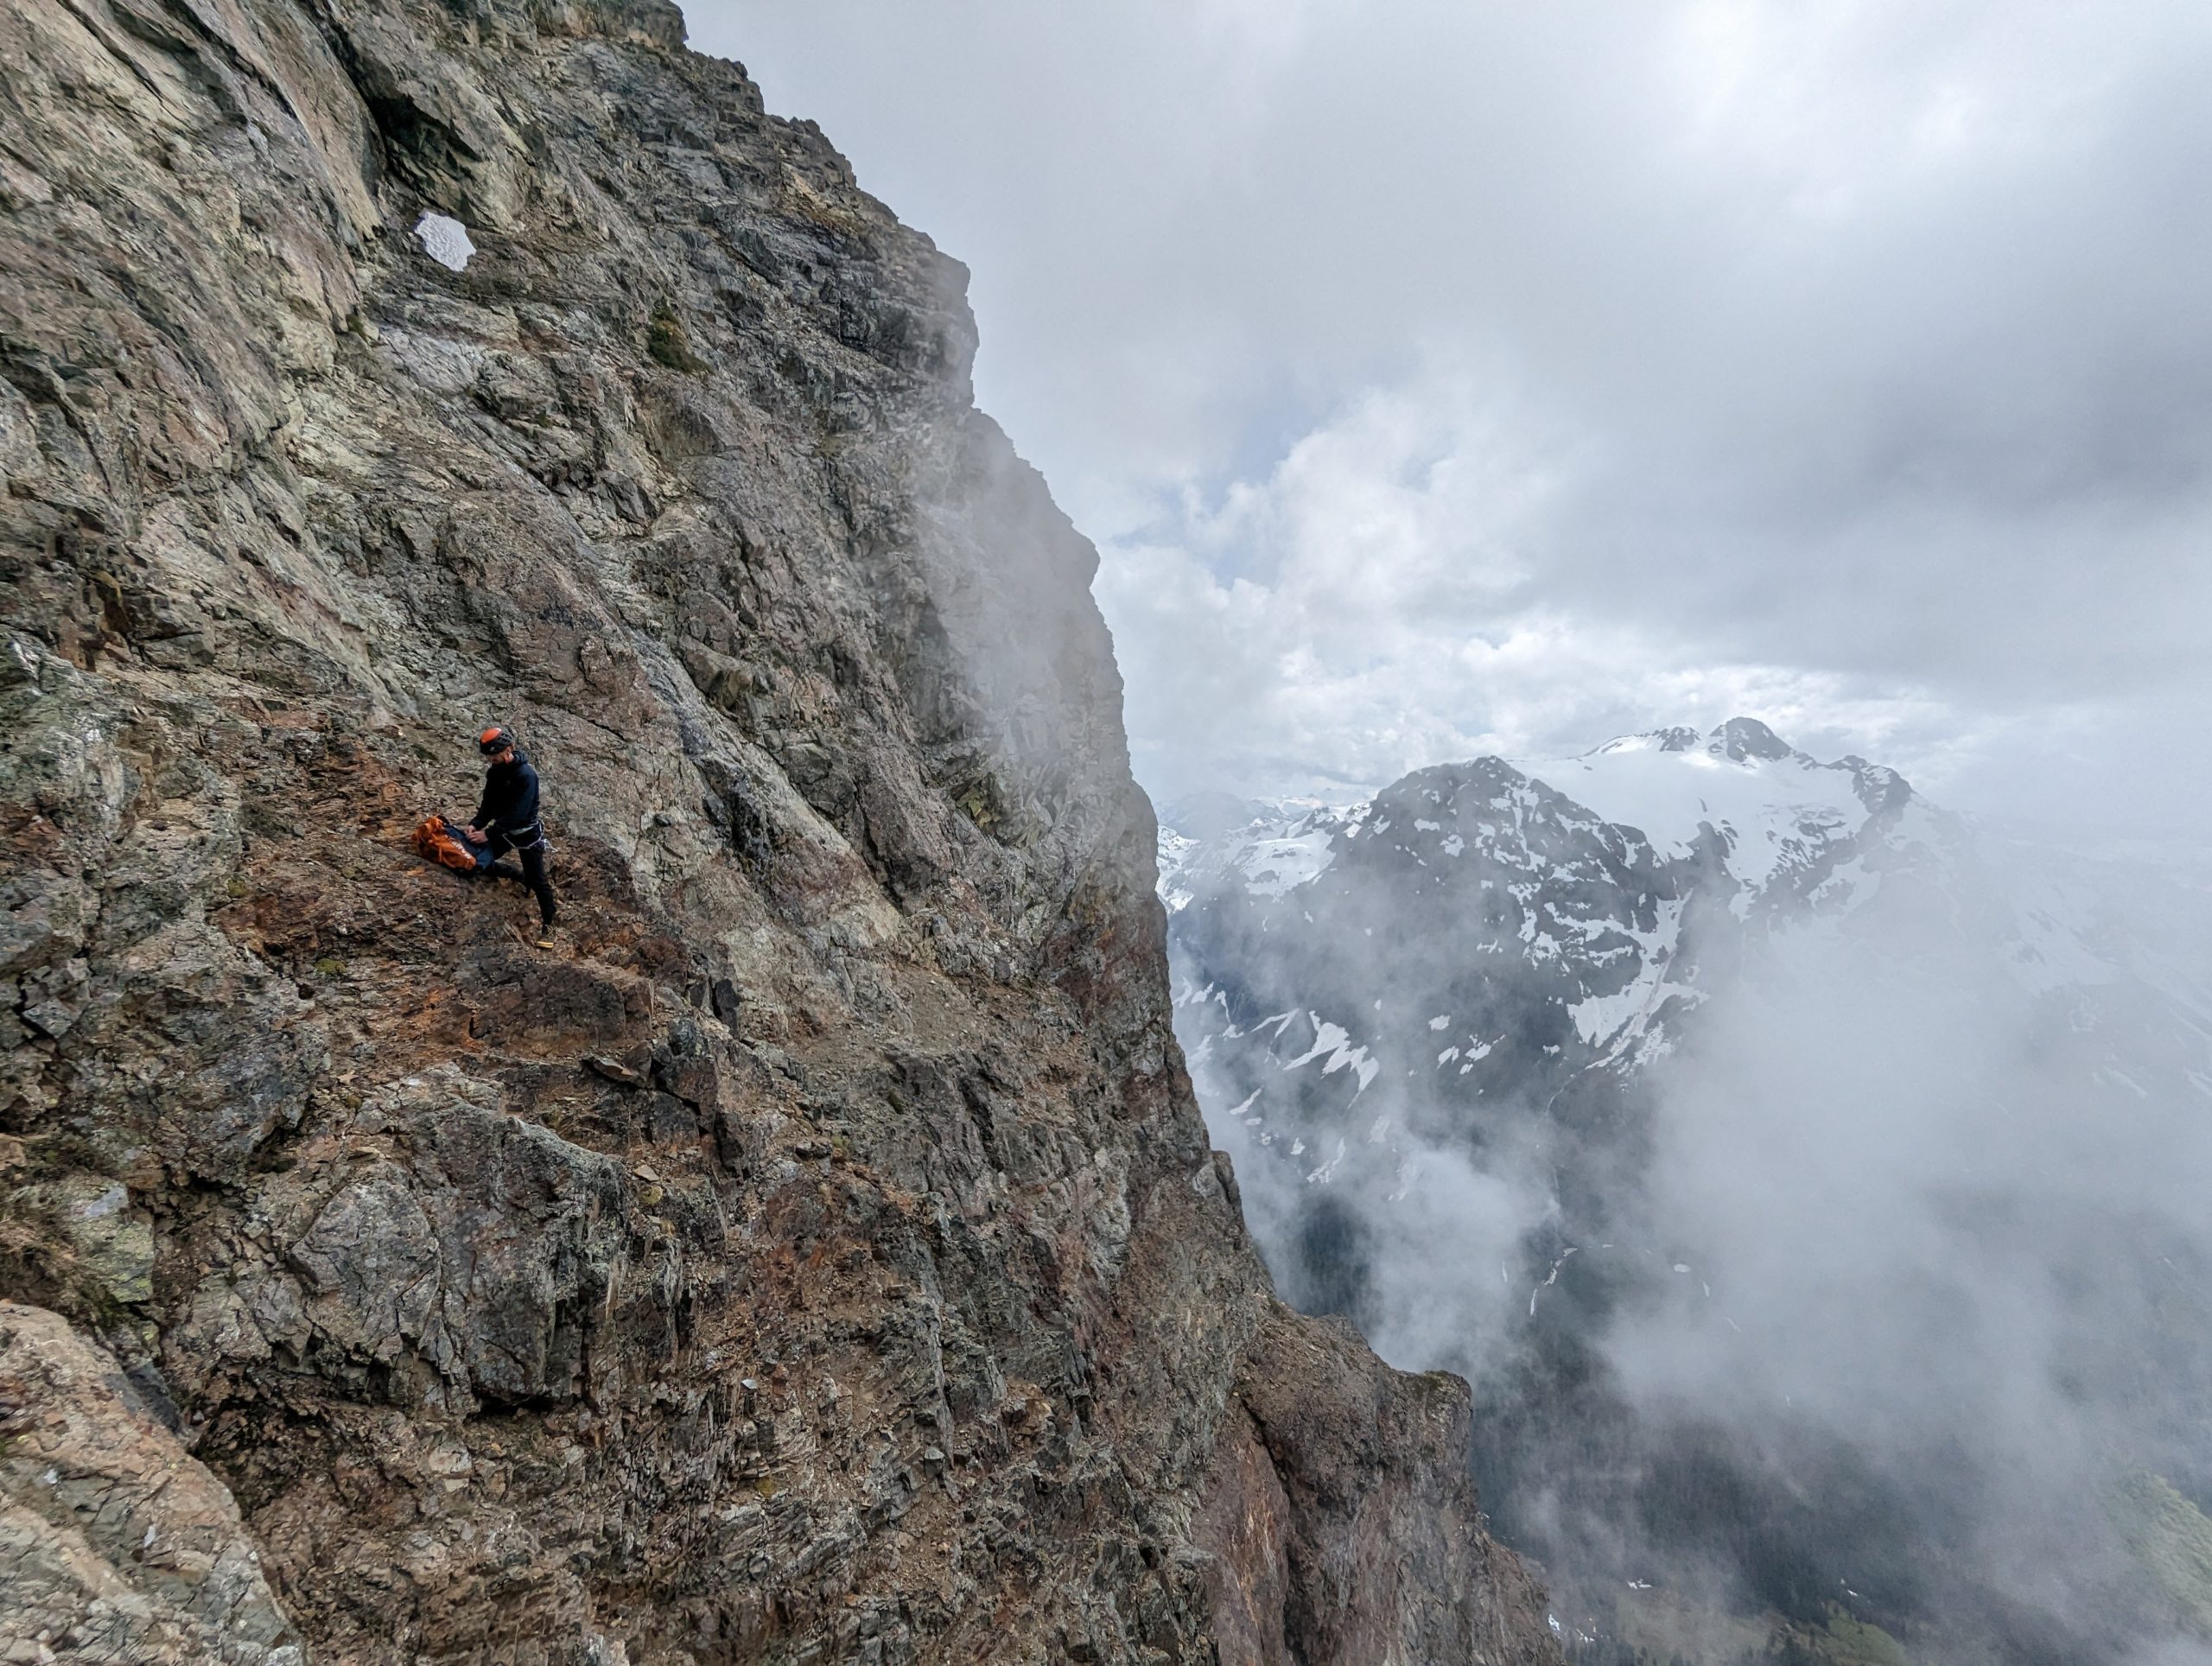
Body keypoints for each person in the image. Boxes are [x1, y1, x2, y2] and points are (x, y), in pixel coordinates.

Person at [466, 725, 557, 942]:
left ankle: (550, 926)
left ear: (509, 749)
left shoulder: (526, 776)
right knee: (477, 861)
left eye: (494, 756)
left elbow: (519, 812)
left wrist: (489, 834)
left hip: (526, 834)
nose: (491, 760)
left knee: (539, 882)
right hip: (504, 832)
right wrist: (476, 823)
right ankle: (519, 876)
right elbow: (488, 803)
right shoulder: (495, 772)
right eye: (489, 757)